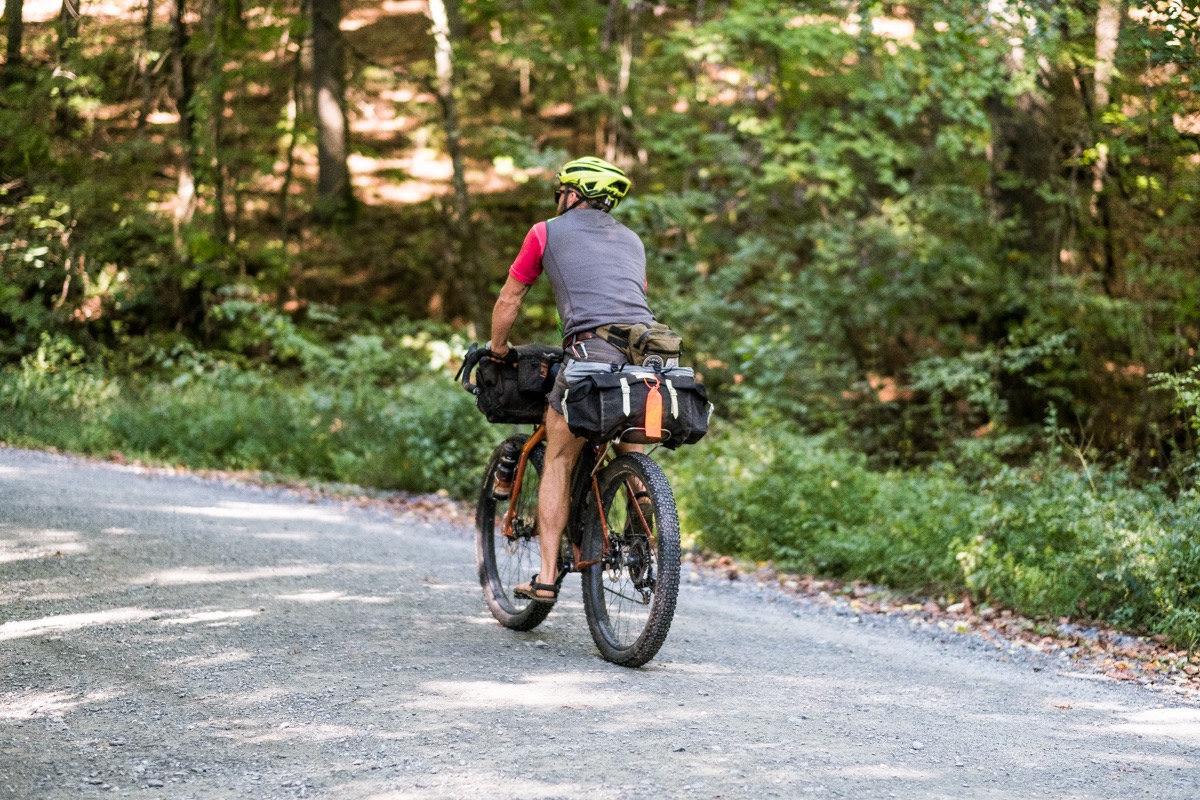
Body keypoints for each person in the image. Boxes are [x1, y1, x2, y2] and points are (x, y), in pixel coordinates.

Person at [488, 156, 656, 605]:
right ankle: (645, 537)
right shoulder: (632, 239)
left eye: (561, 191)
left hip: (589, 355)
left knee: (560, 457)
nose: (557, 198)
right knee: (631, 445)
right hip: (648, 359)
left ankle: (545, 579)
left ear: (575, 194)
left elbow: (510, 298)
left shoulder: (545, 232)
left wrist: (499, 349)